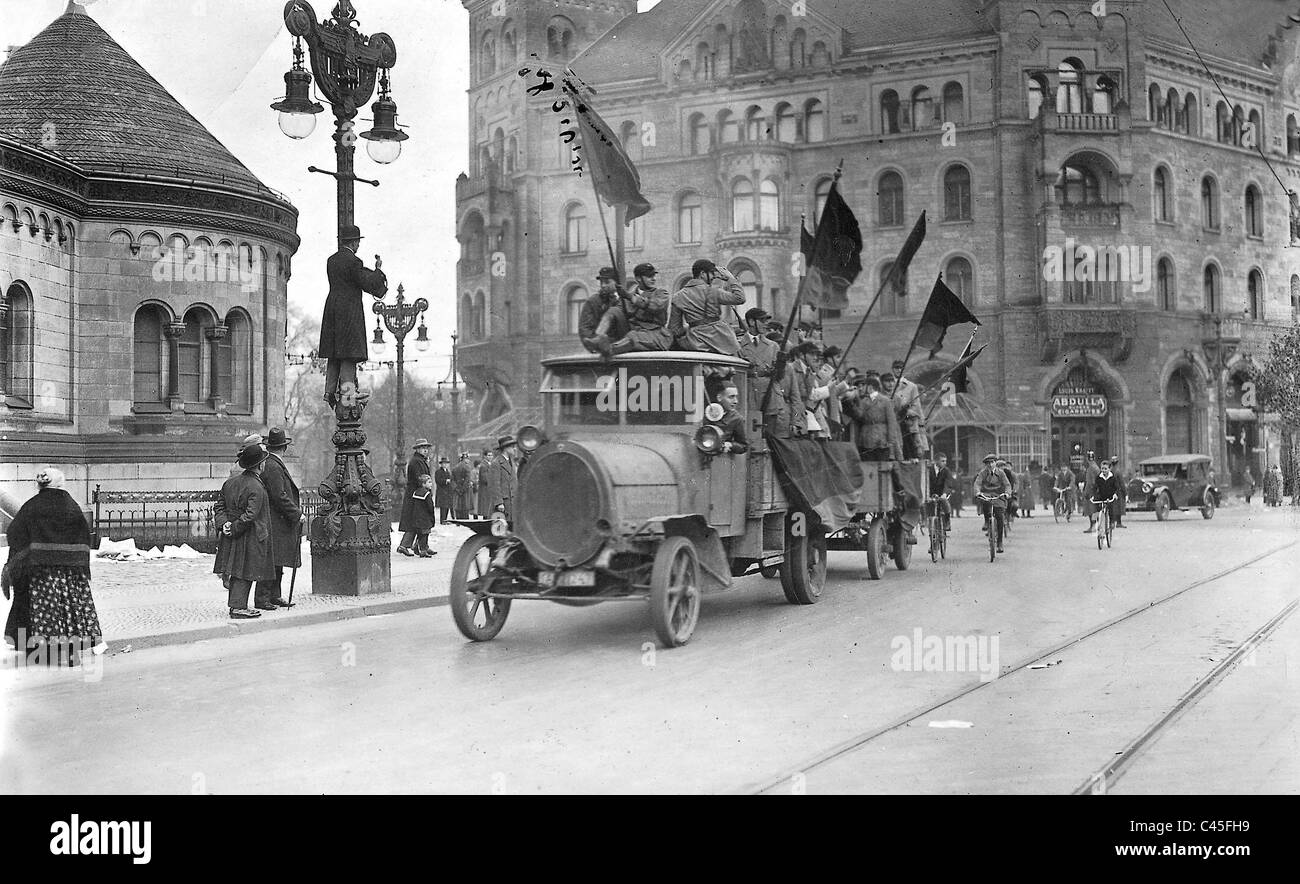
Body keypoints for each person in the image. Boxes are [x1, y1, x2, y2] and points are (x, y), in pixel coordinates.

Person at [2, 467, 102, 664]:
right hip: (70, 571)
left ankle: (42, 651)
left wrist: (25, 554)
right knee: (70, 608)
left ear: (40, 484)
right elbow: (83, 534)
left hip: (41, 571)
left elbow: (15, 531)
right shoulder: (71, 505)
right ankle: (71, 650)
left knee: (46, 609)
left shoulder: (32, 505)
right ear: (60, 482)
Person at [318, 224, 388, 408]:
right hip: (348, 312)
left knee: (334, 353)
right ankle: (348, 396)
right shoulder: (353, 262)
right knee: (349, 354)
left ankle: (329, 391)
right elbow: (365, 281)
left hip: (332, 309)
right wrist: (378, 270)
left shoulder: (331, 261)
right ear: (355, 242)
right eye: (358, 243)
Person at [214, 445, 275, 620]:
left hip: (232, 533)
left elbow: (219, 506)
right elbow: (251, 515)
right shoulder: (257, 486)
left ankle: (237, 605)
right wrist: (233, 528)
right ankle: (238, 607)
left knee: (236, 569)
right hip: (249, 535)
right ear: (260, 465)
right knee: (244, 571)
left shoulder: (230, 483)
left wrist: (224, 524)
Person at [254, 427, 302, 611]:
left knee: (278, 559)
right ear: (285, 448)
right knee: (272, 560)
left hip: (278, 521)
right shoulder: (273, 465)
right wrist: (296, 513)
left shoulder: (272, 462)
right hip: (276, 521)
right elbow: (279, 495)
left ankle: (274, 595)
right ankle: (263, 598)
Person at [668, 259, 746, 355]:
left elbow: (674, 329)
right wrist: (730, 278)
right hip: (723, 341)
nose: (714, 277)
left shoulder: (678, 297)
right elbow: (740, 298)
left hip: (695, 342)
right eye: (712, 273)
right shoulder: (714, 291)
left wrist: (689, 328)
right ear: (702, 274)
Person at [599, 262, 673, 354]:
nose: (653, 279)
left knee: (633, 336)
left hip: (656, 335)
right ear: (638, 278)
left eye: (654, 275)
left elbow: (655, 306)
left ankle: (610, 350)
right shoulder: (628, 296)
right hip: (633, 335)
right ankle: (598, 338)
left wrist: (629, 296)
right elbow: (617, 312)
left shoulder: (661, 293)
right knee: (613, 312)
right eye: (649, 276)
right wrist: (613, 300)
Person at [844, 376, 903, 461]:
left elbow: (891, 421)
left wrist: (891, 440)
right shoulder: (864, 401)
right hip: (866, 437)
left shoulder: (885, 400)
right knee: (869, 463)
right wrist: (851, 403)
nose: (861, 388)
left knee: (882, 463)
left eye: (864, 386)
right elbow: (859, 415)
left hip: (882, 438)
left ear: (870, 387)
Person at [738, 307, 779, 414]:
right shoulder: (738, 345)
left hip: (768, 396)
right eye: (762, 321)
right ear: (751, 322)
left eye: (766, 321)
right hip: (747, 395)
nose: (765, 324)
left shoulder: (773, 346)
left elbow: (780, 376)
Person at [578, 267, 628, 355]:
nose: (603, 285)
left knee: (623, 369)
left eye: (607, 282)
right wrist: (595, 349)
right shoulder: (593, 302)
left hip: (624, 349)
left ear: (617, 283)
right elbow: (585, 329)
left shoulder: (625, 300)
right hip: (602, 351)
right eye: (601, 282)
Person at [397, 439, 434, 556]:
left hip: (417, 494)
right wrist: (426, 490)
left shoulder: (420, 460)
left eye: (426, 447)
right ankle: (407, 546)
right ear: (417, 449)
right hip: (416, 496)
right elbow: (420, 479)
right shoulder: (416, 461)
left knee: (419, 522)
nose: (425, 449)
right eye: (423, 447)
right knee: (416, 522)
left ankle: (420, 546)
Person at [889, 360, 929, 459]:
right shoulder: (888, 384)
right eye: (896, 368)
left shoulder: (911, 386)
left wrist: (908, 412)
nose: (898, 370)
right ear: (892, 369)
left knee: (910, 447)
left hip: (908, 421)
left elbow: (916, 406)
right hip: (893, 420)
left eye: (900, 368)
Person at [973, 453, 1009, 552]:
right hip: (987, 495)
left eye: (992, 462)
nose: (990, 465)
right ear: (986, 465)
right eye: (988, 463)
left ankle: (1000, 542)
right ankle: (986, 521)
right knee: (985, 503)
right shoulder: (983, 473)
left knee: (1000, 517)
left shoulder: (1001, 473)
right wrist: (978, 492)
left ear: (995, 463)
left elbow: (1007, 484)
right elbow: (977, 483)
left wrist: (1007, 493)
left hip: (998, 496)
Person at [704, 378, 749, 454]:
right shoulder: (703, 413)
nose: (735, 401)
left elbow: (744, 446)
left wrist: (730, 445)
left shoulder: (736, 418)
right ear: (719, 397)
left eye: (736, 397)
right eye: (731, 397)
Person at [406, 475, 438, 557]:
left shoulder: (416, 492)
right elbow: (430, 507)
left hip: (416, 517)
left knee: (420, 534)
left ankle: (418, 547)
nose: (431, 484)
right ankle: (423, 550)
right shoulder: (427, 494)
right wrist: (431, 516)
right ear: (423, 484)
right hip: (425, 518)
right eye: (429, 482)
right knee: (425, 534)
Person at [1091, 460, 1122, 531]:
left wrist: (1115, 494)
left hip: (1110, 496)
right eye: (1102, 469)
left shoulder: (1113, 477)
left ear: (1109, 469)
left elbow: (1116, 487)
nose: (1103, 470)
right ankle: (1095, 522)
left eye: (1105, 469)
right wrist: (1093, 495)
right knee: (1096, 509)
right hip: (1101, 496)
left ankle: (1112, 522)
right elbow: (1095, 487)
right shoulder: (1098, 478)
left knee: (1111, 509)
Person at [928, 451, 953, 531]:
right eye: (942, 461)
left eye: (945, 461)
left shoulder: (946, 471)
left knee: (944, 502)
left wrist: (945, 493)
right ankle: (926, 521)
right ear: (936, 461)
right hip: (931, 493)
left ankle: (947, 521)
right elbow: (926, 482)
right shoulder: (929, 470)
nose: (945, 463)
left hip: (943, 493)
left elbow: (948, 483)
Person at [1081, 451, 1102, 533]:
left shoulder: (1090, 468)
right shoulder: (1096, 466)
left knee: (1091, 510)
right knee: (1095, 509)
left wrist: (1086, 492)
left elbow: (1091, 482)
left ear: (1087, 459)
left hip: (1091, 491)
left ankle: (1092, 526)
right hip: (1096, 491)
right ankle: (1095, 525)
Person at [452, 453, 473, 519]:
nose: (468, 461)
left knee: (458, 507)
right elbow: (467, 480)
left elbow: (452, 480)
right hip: (465, 491)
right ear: (465, 459)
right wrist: (463, 489)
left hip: (457, 491)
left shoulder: (455, 467)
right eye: (468, 459)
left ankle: (458, 521)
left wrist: (457, 489)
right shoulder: (467, 467)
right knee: (465, 508)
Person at [434, 456, 454, 524]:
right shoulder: (438, 472)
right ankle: (442, 520)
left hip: (447, 491)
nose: (445, 465)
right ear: (441, 464)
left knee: (447, 506)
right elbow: (438, 480)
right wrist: (446, 481)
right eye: (444, 463)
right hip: (442, 491)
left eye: (446, 463)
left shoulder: (448, 471)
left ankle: (445, 520)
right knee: (443, 507)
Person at [1110, 456, 1128, 527]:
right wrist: (1125, 493)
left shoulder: (1111, 471)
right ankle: (1119, 523)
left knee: (1113, 507)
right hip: (1118, 491)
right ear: (1117, 463)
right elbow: (1122, 483)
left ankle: (1112, 522)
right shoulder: (1118, 471)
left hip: (1112, 491)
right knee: (1119, 507)